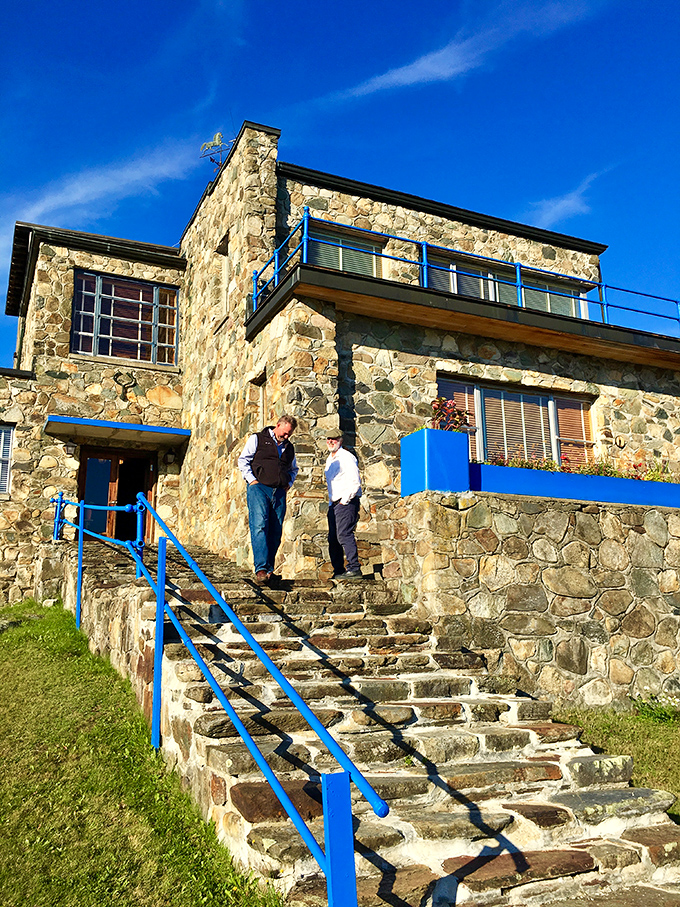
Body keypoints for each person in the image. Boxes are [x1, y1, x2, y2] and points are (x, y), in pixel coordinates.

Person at [238, 415, 298, 585]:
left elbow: (293, 469)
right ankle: (261, 569)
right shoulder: (257, 438)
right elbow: (243, 460)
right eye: (285, 432)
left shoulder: (289, 447)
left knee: (276, 530)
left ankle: (269, 570)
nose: (286, 436)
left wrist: (288, 484)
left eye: (289, 434)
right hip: (259, 488)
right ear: (278, 425)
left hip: (279, 492)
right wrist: (252, 481)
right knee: (259, 526)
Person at [324, 431, 364, 580]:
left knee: (344, 534)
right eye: (329, 439)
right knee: (333, 538)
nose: (331, 441)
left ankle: (354, 568)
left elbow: (355, 481)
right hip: (334, 503)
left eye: (334, 439)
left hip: (345, 502)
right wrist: (332, 503)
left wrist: (344, 500)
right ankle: (339, 570)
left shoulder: (346, 457)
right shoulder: (330, 459)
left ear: (340, 440)